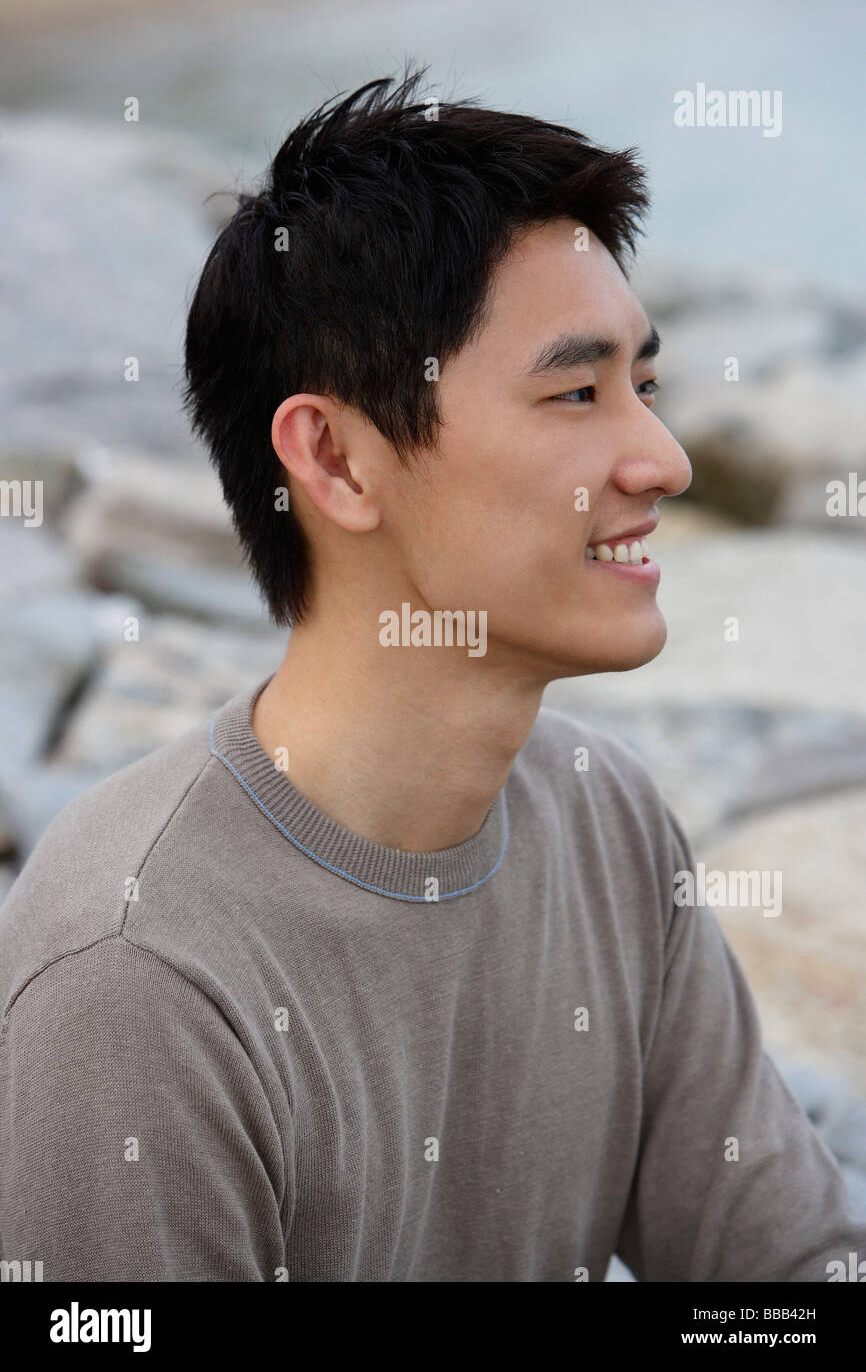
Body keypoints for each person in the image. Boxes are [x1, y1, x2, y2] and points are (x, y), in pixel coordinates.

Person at [1, 67, 863, 1283]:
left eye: (645, 385)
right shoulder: (136, 974)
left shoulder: (605, 820)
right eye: (575, 391)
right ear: (337, 461)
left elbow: (776, 1273)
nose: (662, 459)